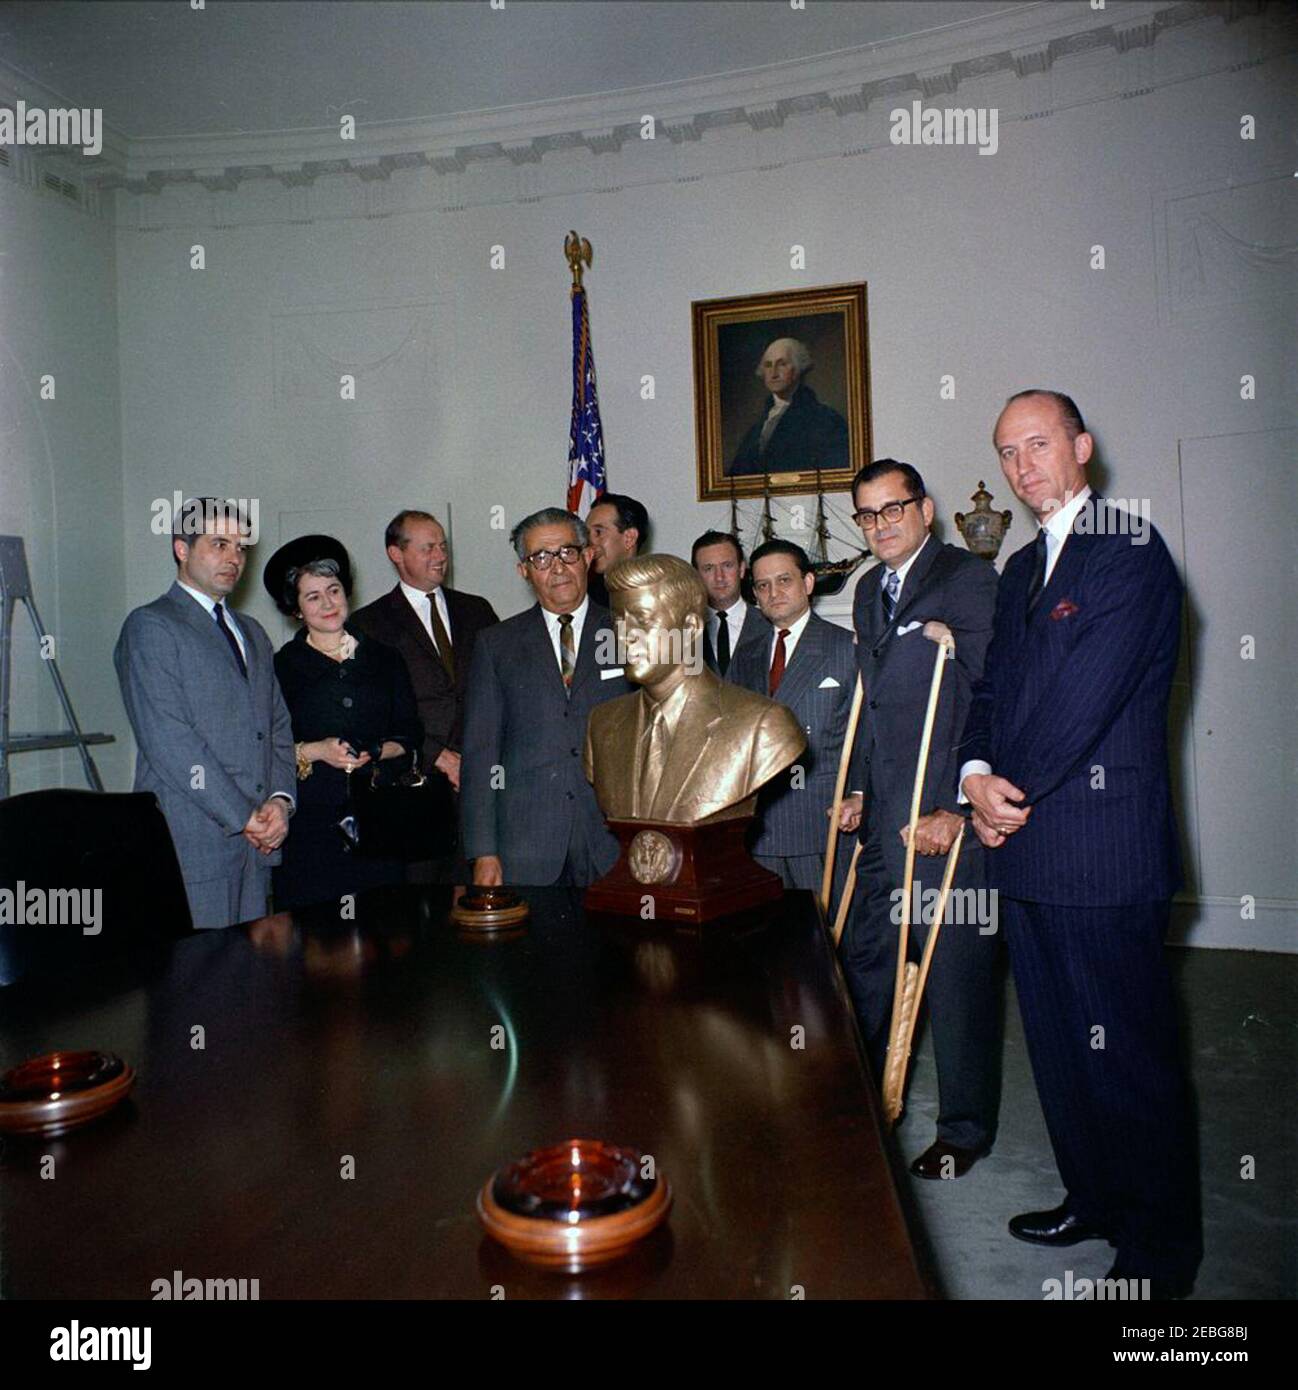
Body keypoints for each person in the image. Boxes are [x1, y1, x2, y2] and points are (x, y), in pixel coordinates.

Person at [961, 389, 1201, 1297]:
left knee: (1128, 1058)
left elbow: (1081, 707)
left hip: (1101, 854)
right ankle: (1093, 1199)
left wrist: (1000, 794)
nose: (1024, 468)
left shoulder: (1129, 551)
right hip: (1022, 850)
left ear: (1082, 447)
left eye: (1038, 445)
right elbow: (990, 692)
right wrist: (971, 773)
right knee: (1061, 1048)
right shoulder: (1022, 568)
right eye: (1008, 453)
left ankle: (1160, 1251)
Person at [838, 460, 1002, 1180]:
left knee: (954, 977)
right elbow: (875, 712)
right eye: (867, 515)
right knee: (867, 961)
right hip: (886, 813)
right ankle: (867, 1102)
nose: (880, 525)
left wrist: (961, 810)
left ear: (926, 509)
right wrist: (862, 791)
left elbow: (997, 698)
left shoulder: (968, 578)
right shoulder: (871, 588)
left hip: (944, 816)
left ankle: (964, 1131)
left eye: (892, 509)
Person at [114, 498, 295, 929]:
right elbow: (169, 740)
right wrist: (244, 815)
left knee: (252, 983)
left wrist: (280, 802)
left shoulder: (251, 631)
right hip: (191, 843)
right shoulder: (151, 626)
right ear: (182, 548)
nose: (234, 558)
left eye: (241, 547)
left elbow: (277, 727)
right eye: (219, 544)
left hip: (258, 845)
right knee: (197, 984)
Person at [460, 508, 631, 886]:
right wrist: (483, 850)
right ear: (524, 570)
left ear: (589, 556)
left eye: (568, 552)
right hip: (527, 845)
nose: (557, 568)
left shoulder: (629, 631)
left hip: (614, 838)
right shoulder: (496, 644)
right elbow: (481, 753)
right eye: (541, 557)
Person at [262, 535, 423, 912]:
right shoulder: (281, 667)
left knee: (386, 938)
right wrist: (317, 751)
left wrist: (379, 750)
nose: (328, 603)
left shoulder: (386, 658)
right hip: (311, 829)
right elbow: (266, 743)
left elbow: (411, 733)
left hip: (380, 824)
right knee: (318, 950)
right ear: (296, 609)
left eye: (333, 590)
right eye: (313, 596)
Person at [585, 554, 803, 823]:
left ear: (690, 628)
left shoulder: (764, 726)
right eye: (619, 621)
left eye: (642, 619)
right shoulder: (602, 724)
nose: (625, 635)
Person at [348, 510, 498, 880]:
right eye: (428, 547)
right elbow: (371, 711)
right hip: (415, 788)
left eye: (443, 546)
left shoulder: (476, 609)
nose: (440, 556)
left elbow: (500, 688)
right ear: (395, 554)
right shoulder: (368, 624)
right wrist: (436, 755)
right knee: (425, 908)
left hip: (482, 782)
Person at [726, 540, 858, 898]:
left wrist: (860, 796)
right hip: (756, 829)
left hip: (821, 825)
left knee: (823, 941)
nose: (774, 592)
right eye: (763, 585)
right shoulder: (746, 656)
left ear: (809, 583)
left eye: (784, 580)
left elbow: (868, 738)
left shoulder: (846, 647)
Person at [729, 337, 849, 476]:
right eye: (768, 365)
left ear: (798, 368)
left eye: (782, 364)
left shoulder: (826, 420)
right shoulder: (756, 429)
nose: (773, 373)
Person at [691, 529, 769, 677]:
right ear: (696, 575)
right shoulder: (683, 633)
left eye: (727, 566)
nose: (719, 577)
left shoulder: (770, 625)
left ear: (741, 569)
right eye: (708, 568)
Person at [585, 493, 648, 608]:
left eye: (598, 532)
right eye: (587, 534)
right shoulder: (584, 596)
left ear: (629, 538)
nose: (589, 542)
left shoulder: (655, 592)